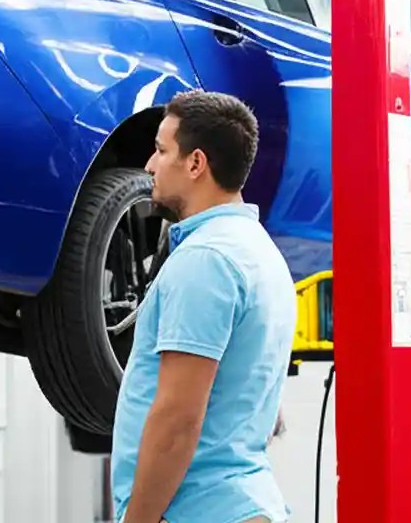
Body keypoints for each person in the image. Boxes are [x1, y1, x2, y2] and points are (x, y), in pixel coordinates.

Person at [111, 89, 298, 523]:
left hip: (199, 509)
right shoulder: (261, 255)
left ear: (196, 163)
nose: (149, 165)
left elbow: (177, 419)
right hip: (241, 502)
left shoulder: (205, 262)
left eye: (161, 150)